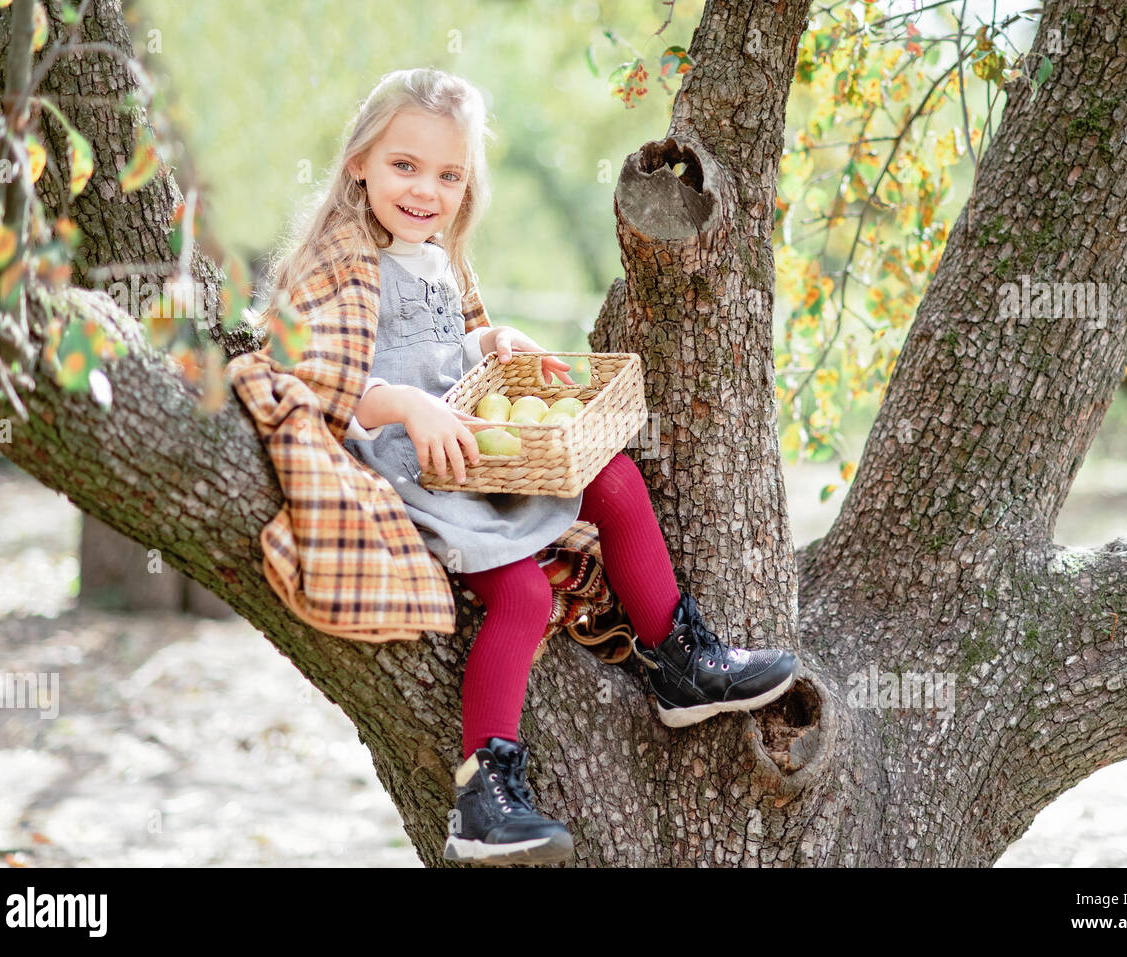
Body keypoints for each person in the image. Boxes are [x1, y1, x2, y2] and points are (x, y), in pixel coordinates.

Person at [259, 67, 800, 866]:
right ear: (359, 162)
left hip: (473, 448)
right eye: (404, 166)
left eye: (448, 175)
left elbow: (455, 345)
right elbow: (315, 378)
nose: (425, 191)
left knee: (613, 476)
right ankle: (485, 791)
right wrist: (406, 406)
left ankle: (680, 657)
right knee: (519, 590)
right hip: (413, 467)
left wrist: (494, 341)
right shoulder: (340, 258)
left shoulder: (440, 256)